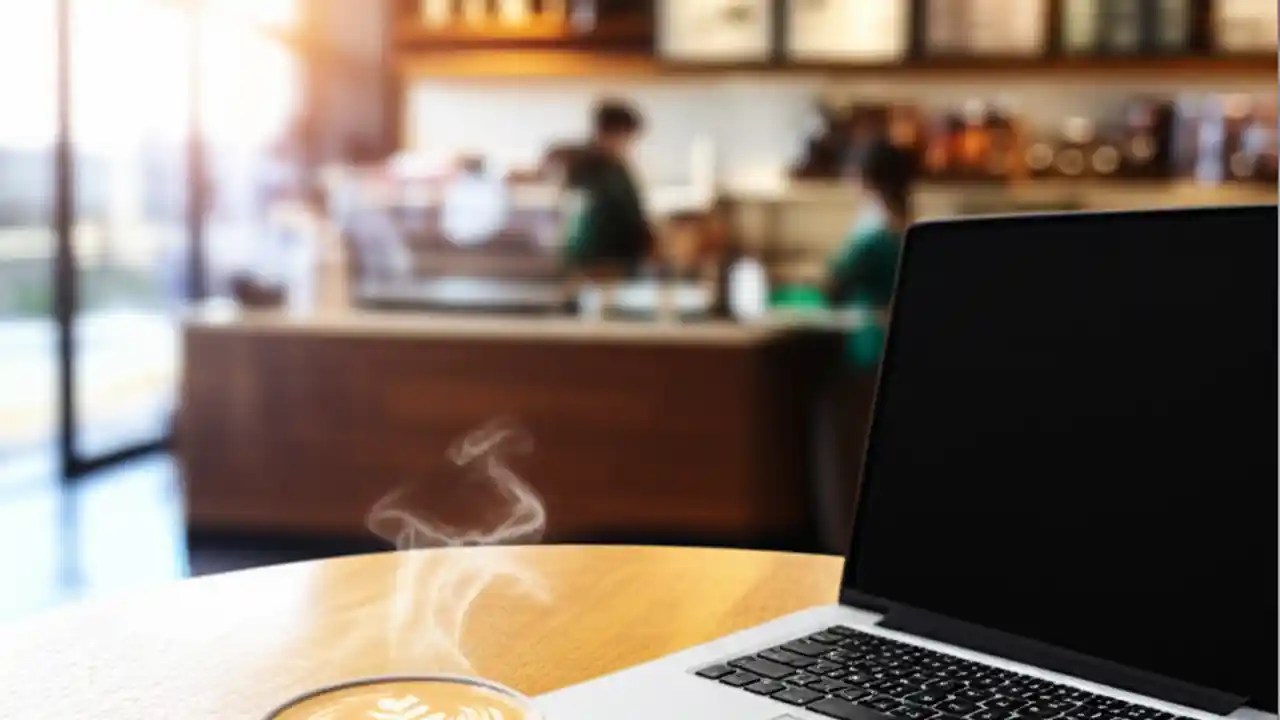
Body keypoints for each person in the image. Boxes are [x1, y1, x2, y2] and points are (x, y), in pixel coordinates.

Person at [827, 138, 917, 369]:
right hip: (902, 343)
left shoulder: (873, 228)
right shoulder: (907, 224)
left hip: (867, 344)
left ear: (865, 178)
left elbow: (836, 282)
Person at [563, 99, 653, 277]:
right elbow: (583, 229)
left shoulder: (617, 168)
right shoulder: (587, 171)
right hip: (601, 267)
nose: (627, 145)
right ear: (605, 133)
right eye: (625, 138)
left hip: (622, 264)